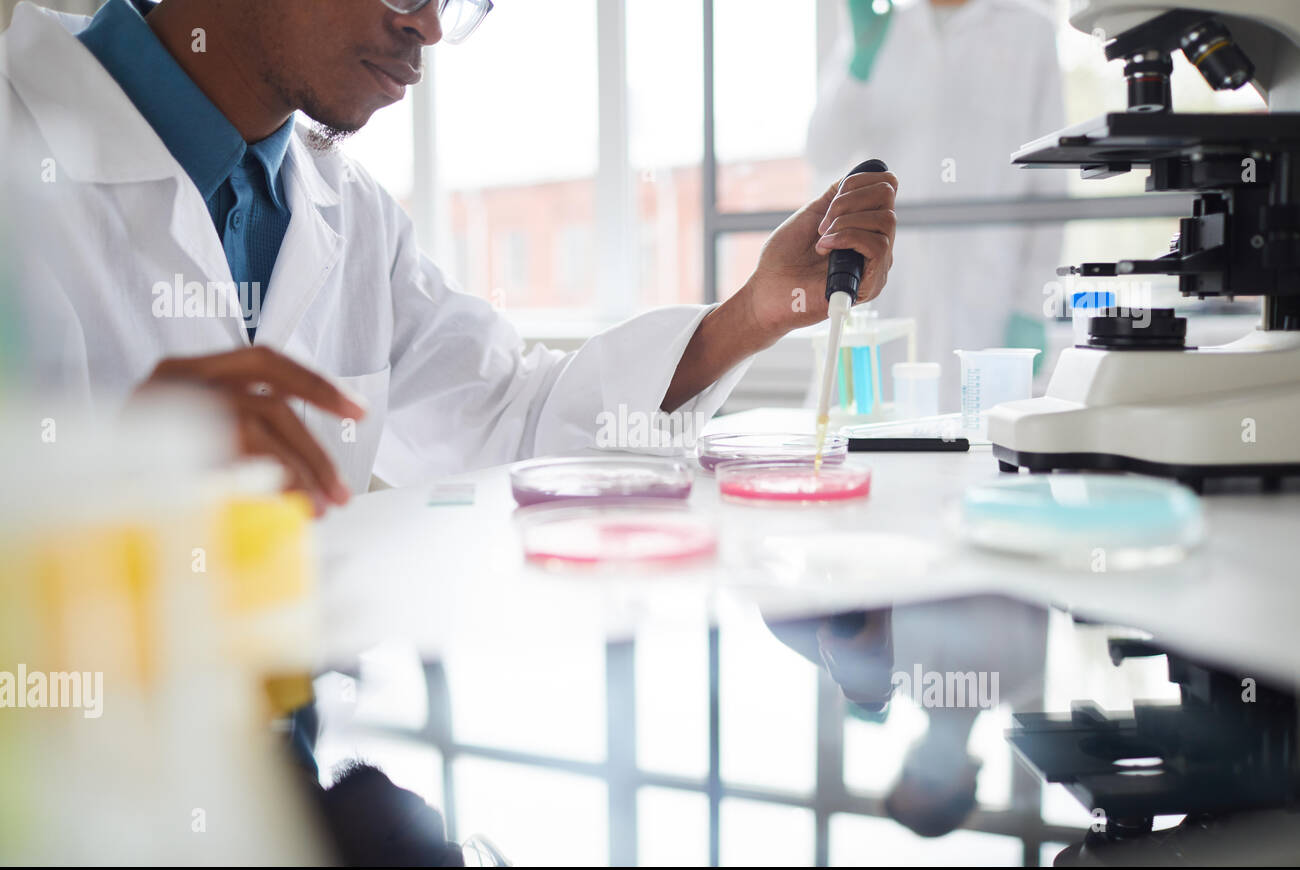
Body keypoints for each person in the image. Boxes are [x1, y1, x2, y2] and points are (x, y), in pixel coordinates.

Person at [0, 0, 899, 512]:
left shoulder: (348, 217)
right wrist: (105, 467)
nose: (429, 25)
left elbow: (518, 434)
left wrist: (756, 311)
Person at [806, 0, 1064, 395]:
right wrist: (859, 63)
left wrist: (1031, 308)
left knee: (980, 444)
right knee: (871, 441)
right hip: (886, 297)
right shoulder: (879, 32)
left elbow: (1049, 186)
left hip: (989, 298)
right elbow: (822, 151)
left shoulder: (1030, 33)